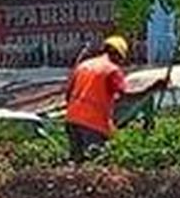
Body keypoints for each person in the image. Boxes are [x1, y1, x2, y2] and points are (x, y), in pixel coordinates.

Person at [64, 35, 168, 163]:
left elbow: (68, 95)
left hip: (72, 121)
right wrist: (153, 88)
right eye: (121, 59)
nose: (121, 63)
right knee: (97, 163)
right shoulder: (112, 70)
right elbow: (127, 97)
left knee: (76, 164)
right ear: (117, 55)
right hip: (93, 124)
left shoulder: (83, 66)